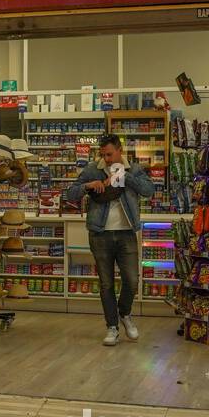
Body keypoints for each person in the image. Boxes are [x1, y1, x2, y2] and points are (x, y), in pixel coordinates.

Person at [66, 133, 155, 346]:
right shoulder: (92, 170)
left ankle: (125, 314)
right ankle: (112, 327)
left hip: (126, 233)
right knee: (106, 283)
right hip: (100, 234)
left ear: (119, 150)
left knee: (132, 280)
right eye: (103, 155)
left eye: (110, 154)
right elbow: (70, 194)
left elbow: (149, 191)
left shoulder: (133, 169)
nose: (106, 159)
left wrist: (124, 175)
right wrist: (89, 185)